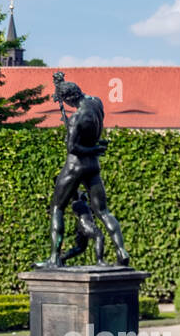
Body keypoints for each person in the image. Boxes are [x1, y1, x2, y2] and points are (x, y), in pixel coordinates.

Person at [41, 73, 129, 268]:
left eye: (66, 101)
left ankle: (55, 258)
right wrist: (60, 85)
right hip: (93, 165)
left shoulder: (76, 119)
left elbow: (72, 148)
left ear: (70, 99)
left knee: (57, 208)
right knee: (103, 211)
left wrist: (90, 147)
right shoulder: (96, 103)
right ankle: (121, 251)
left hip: (76, 165)